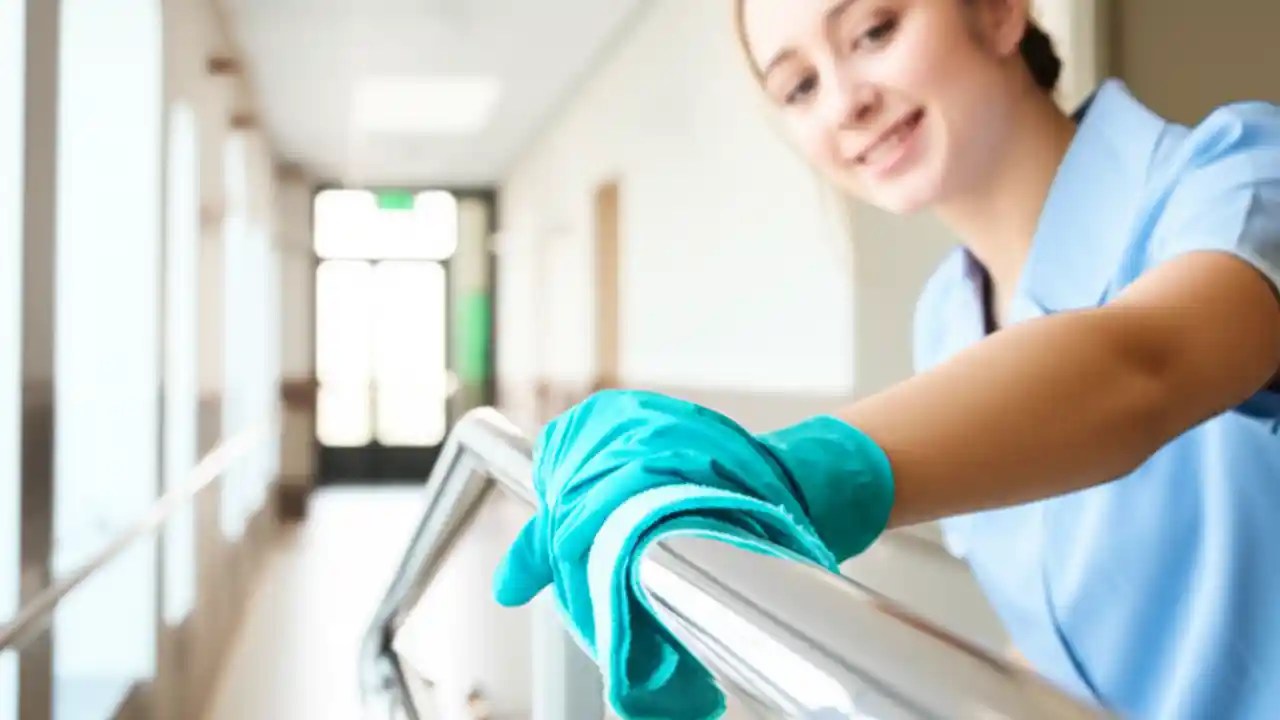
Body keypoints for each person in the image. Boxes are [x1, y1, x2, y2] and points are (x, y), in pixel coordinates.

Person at [494, 0, 1280, 718]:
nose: (845, 104)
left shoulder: (1237, 176)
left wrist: (792, 473)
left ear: (1001, 12)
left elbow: (1144, 368)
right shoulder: (945, 318)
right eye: (799, 86)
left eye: (874, 31)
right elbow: (1066, 641)